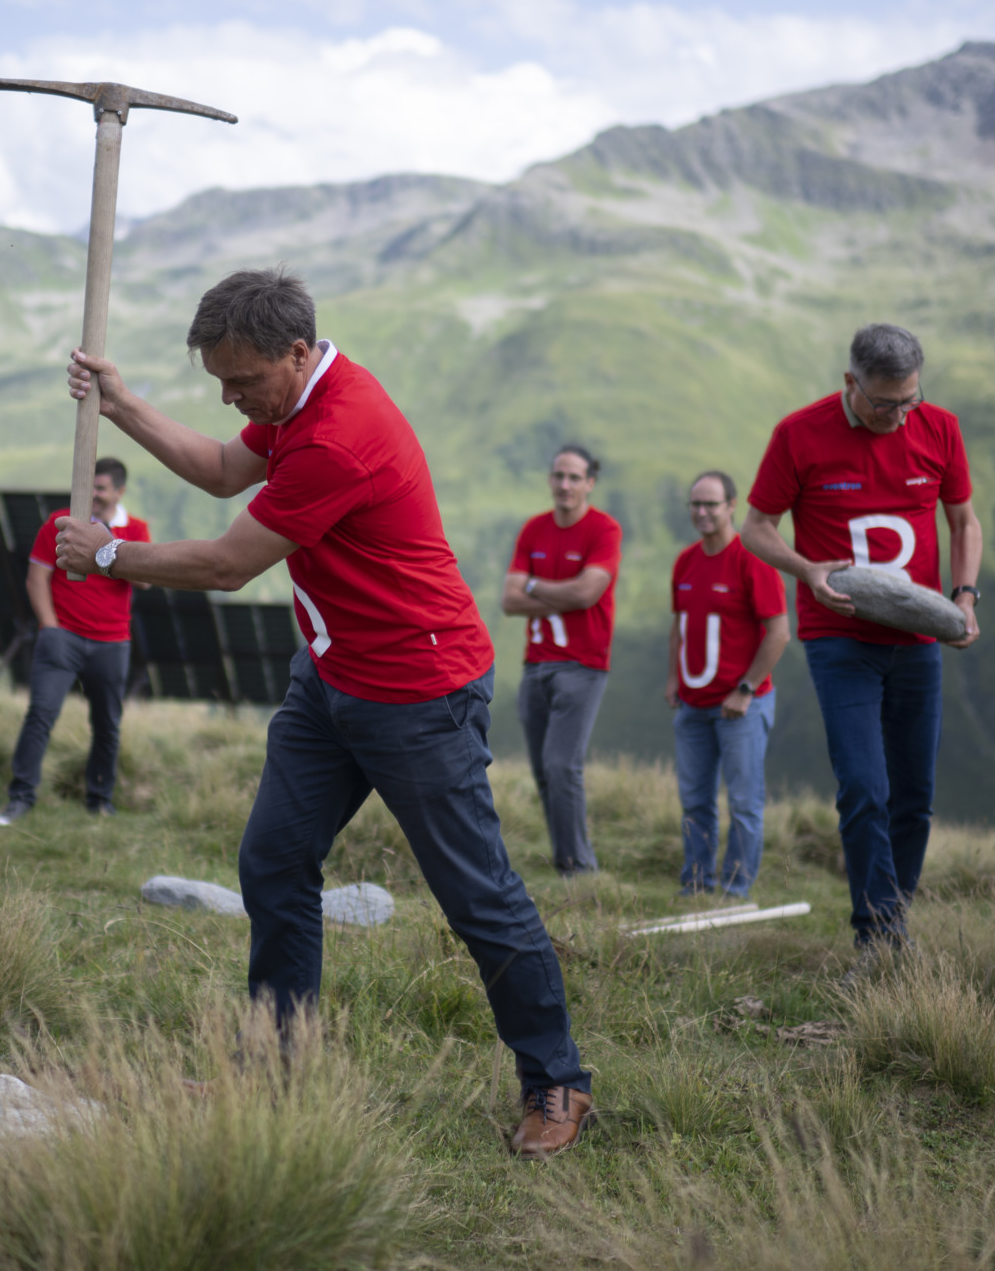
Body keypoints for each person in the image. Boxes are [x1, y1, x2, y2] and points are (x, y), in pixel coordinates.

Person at [55, 269, 593, 1157]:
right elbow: (228, 469)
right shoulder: (299, 399)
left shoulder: (341, 432)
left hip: (419, 691)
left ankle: (557, 1081)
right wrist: (124, 407)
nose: (232, 398)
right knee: (273, 859)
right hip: (332, 678)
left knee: (477, 895)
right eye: (221, 385)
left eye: (243, 381)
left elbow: (230, 564)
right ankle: (275, 1064)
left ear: (297, 352)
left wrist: (109, 553)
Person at [740, 324, 982, 960]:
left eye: (910, 400)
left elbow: (964, 521)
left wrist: (963, 595)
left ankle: (894, 924)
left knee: (915, 796)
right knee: (863, 788)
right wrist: (806, 570)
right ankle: (875, 937)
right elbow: (757, 529)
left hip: (918, 635)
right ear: (851, 383)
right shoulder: (800, 434)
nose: (900, 417)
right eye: (884, 404)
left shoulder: (941, 428)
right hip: (837, 638)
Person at [0, 457, 151, 825]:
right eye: (89, 487)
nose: (93, 495)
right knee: (41, 715)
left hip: (113, 642)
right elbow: (37, 579)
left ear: (119, 492)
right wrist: (50, 628)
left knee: (107, 724)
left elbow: (144, 581)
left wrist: (112, 541)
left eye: (101, 488)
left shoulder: (136, 529)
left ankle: (99, 801)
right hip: (62, 636)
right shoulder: (60, 523)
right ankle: (20, 797)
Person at [668, 471, 790, 897]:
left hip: (741, 707)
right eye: (695, 504)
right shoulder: (685, 561)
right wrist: (672, 679)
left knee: (743, 804)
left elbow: (779, 631)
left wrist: (746, 689)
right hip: (692, 707)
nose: (702, 513)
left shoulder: (752, 558)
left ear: (732, 505)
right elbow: (679, 626)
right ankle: (697, 885)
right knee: (695, 803)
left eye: (711, 505)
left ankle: (735, 891)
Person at [501, 444, 621, 875]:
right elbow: (508, 601)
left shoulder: (604, 530)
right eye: (558, 476)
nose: (565, 484)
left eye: (574, 477)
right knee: (543, 771)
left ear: (590, 482)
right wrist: (560, 592)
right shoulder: (534, 529)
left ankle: (579, 867)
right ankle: (564, 860)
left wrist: (533, 586)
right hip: (535, 666)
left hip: (582, 665)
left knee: (561, 764)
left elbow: (589, 593)